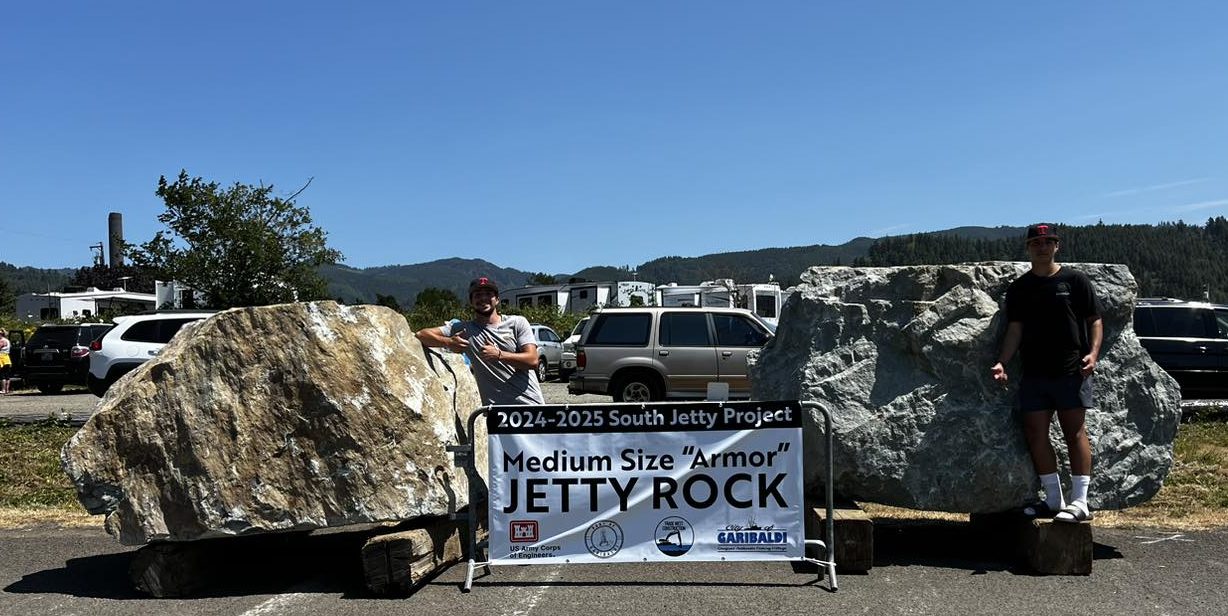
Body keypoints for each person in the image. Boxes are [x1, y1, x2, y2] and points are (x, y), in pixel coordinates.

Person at [991, 223, 1102, 523]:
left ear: (1057, 246)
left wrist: (1093, 354)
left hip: (1071, 370)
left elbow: (1094, 320)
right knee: (1035, 434)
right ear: (1028, 248)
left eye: (1048, 242)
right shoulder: (1020, 288)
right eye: (1036, 243)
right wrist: (1002, 362)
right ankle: (1053, 500)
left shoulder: (1075, 280)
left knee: (1074, 432)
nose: (1042, 247)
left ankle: (1080, 502)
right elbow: (1015, 329)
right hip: (1034, 372)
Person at [415, 277, 545, 406]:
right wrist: (448, 342)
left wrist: (499, 355)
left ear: (497, 299)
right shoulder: (463, 329)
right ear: (471, 301)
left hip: (530, 405)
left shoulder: (517, 323)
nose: (483, 298)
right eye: (477, 295)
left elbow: (532, 360)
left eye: (488, 294)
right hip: (494, 409)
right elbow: (421, 335)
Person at [0, 328, 12, 395]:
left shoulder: (2, 341)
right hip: (7, 358)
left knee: (2, 375)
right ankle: (7, 390)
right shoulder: (7, 340)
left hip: (1, 358)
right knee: (7, 375)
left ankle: (3, 389)